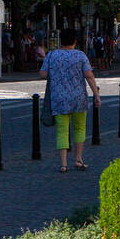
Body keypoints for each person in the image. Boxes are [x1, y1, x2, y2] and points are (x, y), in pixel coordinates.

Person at [41, 29, 100, 173]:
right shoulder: (80, 56)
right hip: (78, 97)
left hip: (59, 98)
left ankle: (63, 163)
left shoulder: (52, 55)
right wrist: (96, 95)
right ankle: (78, 159)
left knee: (62, 130)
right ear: (75, 41)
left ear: (61, 41)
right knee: (80, 128)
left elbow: (43, 74)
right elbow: (89, 76)